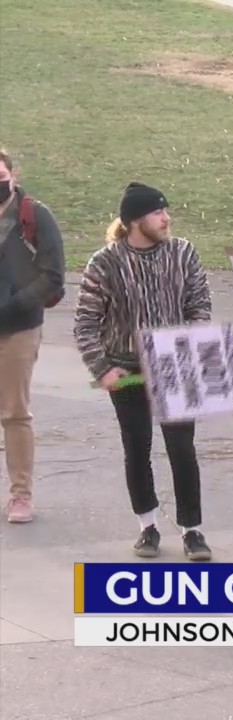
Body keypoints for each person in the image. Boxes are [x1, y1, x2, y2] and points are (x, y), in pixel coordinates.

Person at [73, 182, 214, 560]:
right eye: (157, 212)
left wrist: (188, 346)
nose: (166, 218)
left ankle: (192, 530)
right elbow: (85, 323)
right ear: (135, 220)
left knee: (182, 449)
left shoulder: (183, 253)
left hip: (175, 366)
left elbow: (200, 305)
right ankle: (147, 527)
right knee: (137, 447)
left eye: (165, 210)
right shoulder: (104, 263)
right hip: (127, 369)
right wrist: (102, 368)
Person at [0, 148, 65, 524]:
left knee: (14, 411)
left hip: (19, 327)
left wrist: (13, 305)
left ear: (12, 175)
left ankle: (20, 495)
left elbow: (53, 276)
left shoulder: (34, 216)